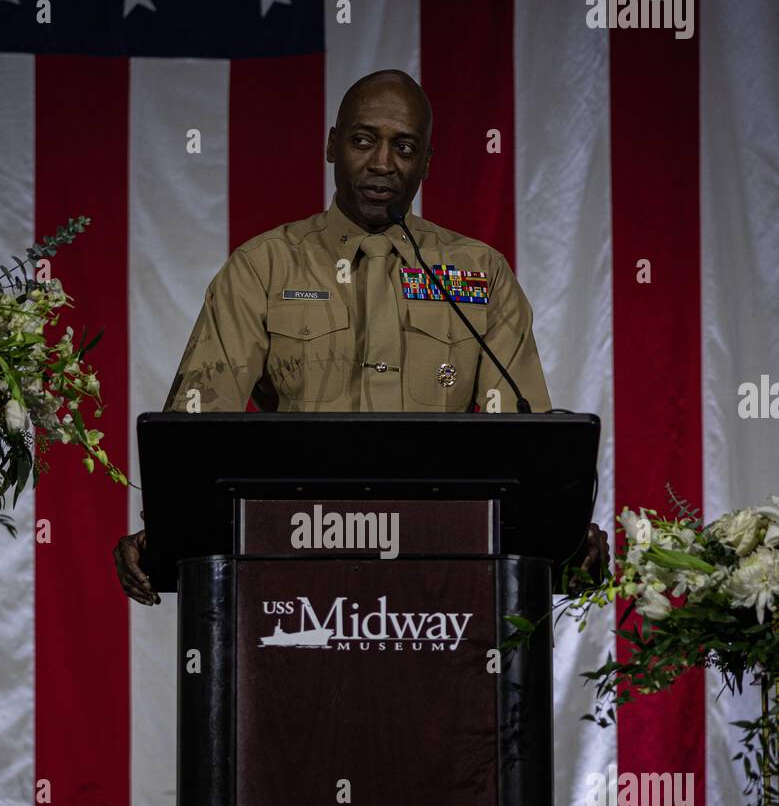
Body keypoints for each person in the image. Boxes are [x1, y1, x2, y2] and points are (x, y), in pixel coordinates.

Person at [114, 69, 608, 604]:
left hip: (442, 579)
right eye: (363, 140)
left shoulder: (479, 272)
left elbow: (522, 446)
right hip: (295, 567)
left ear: (426, 162)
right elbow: (196, 436)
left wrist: (560, 528)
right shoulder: (264, 268)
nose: (382, 163)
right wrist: (170, 527)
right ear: (332, 145)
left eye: (404, 147)